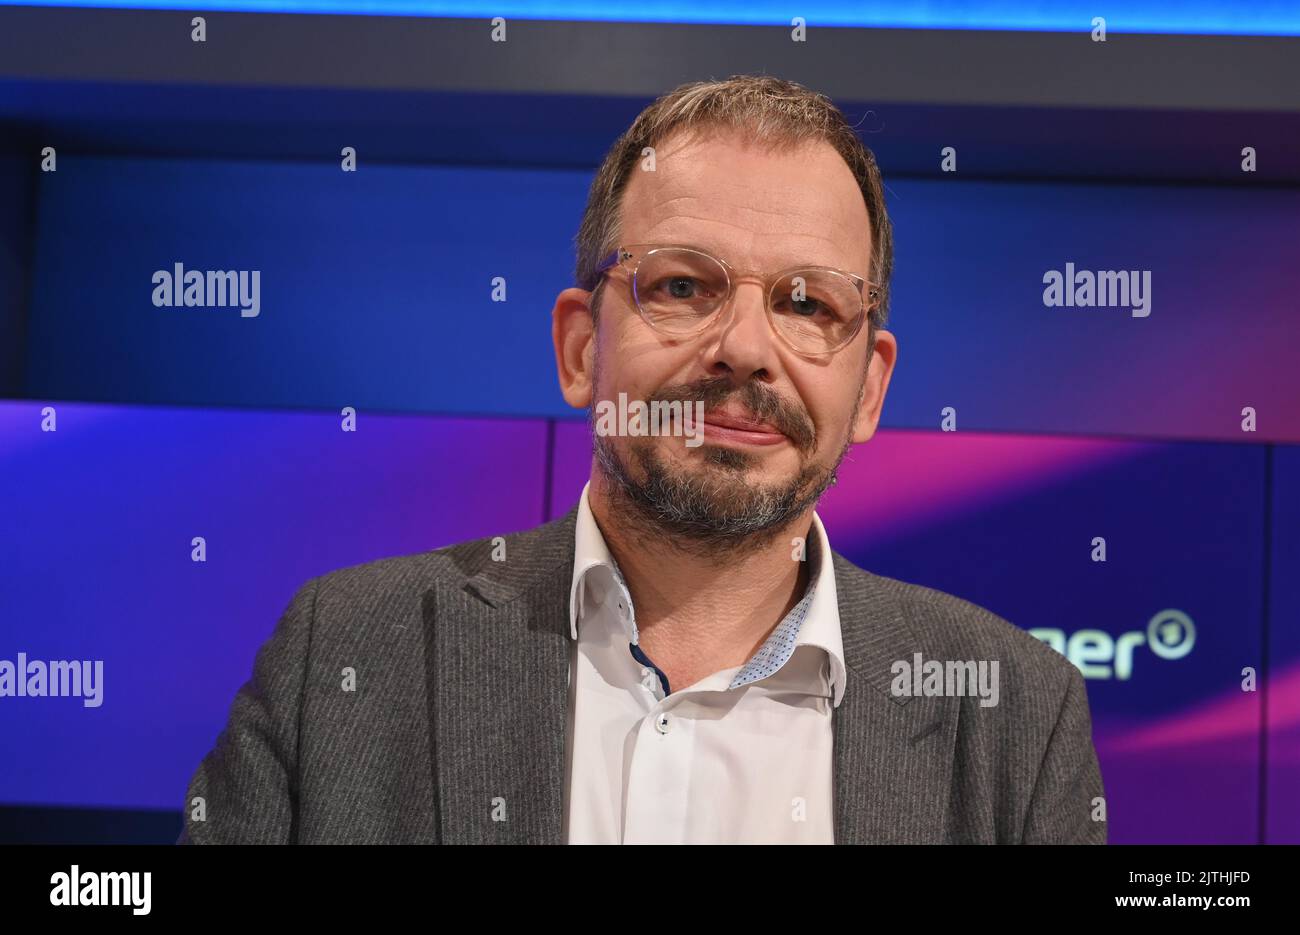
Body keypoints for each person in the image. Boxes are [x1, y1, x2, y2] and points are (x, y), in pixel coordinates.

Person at [180, 74, 1105, 844]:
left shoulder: (1015, 716)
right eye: (682, 286)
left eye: (809, 305)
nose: (746, 347)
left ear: (867, 388)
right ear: (582, 349)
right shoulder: (344, 652)